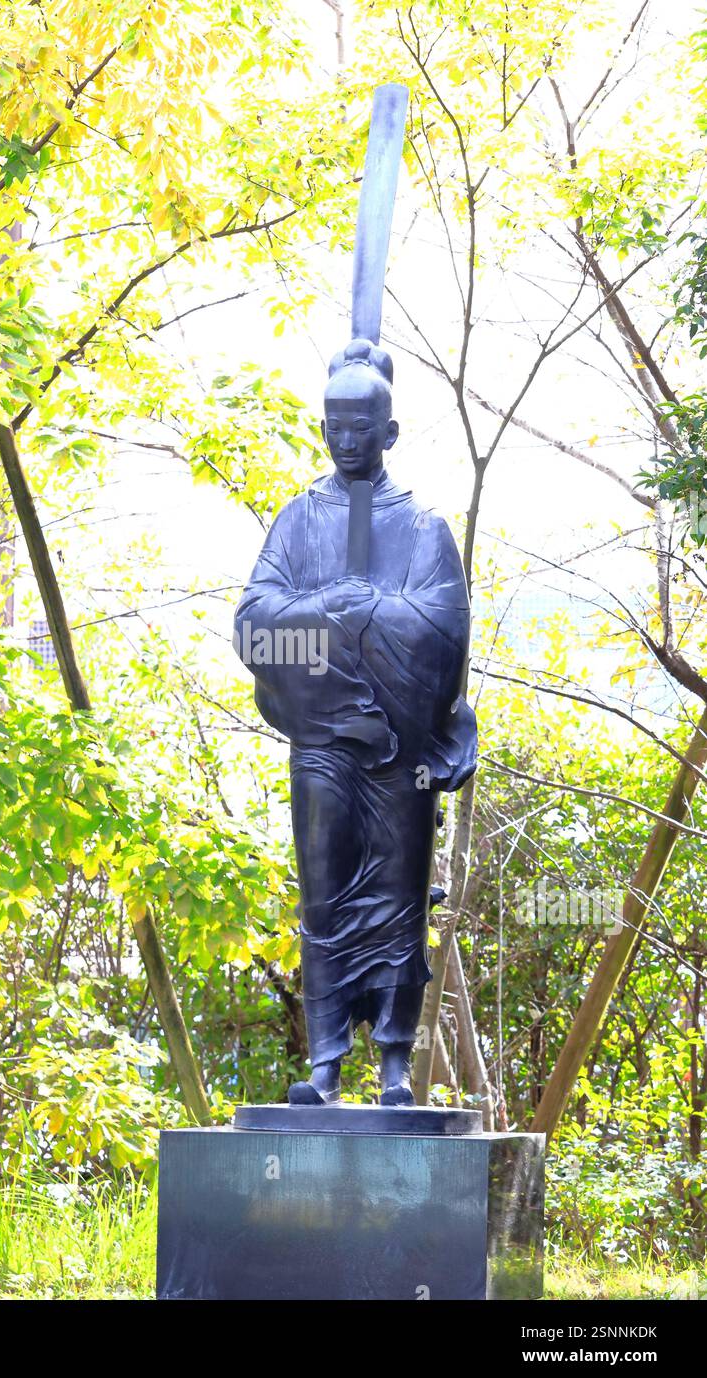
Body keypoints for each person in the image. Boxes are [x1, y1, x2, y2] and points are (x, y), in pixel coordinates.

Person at [234, 338, 477, 1105]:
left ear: (390, 433)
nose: (345, 437)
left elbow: (444, 635)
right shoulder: (299, 521)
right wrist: (322, 609)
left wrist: (368, 612)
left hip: (401, 751)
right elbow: (256, 628)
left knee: (400, 895)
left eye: (360, 423)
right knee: (322, 891)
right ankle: (326, 1064)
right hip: (324, 744)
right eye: (333, 422)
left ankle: (398, 1064)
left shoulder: (425, 529)